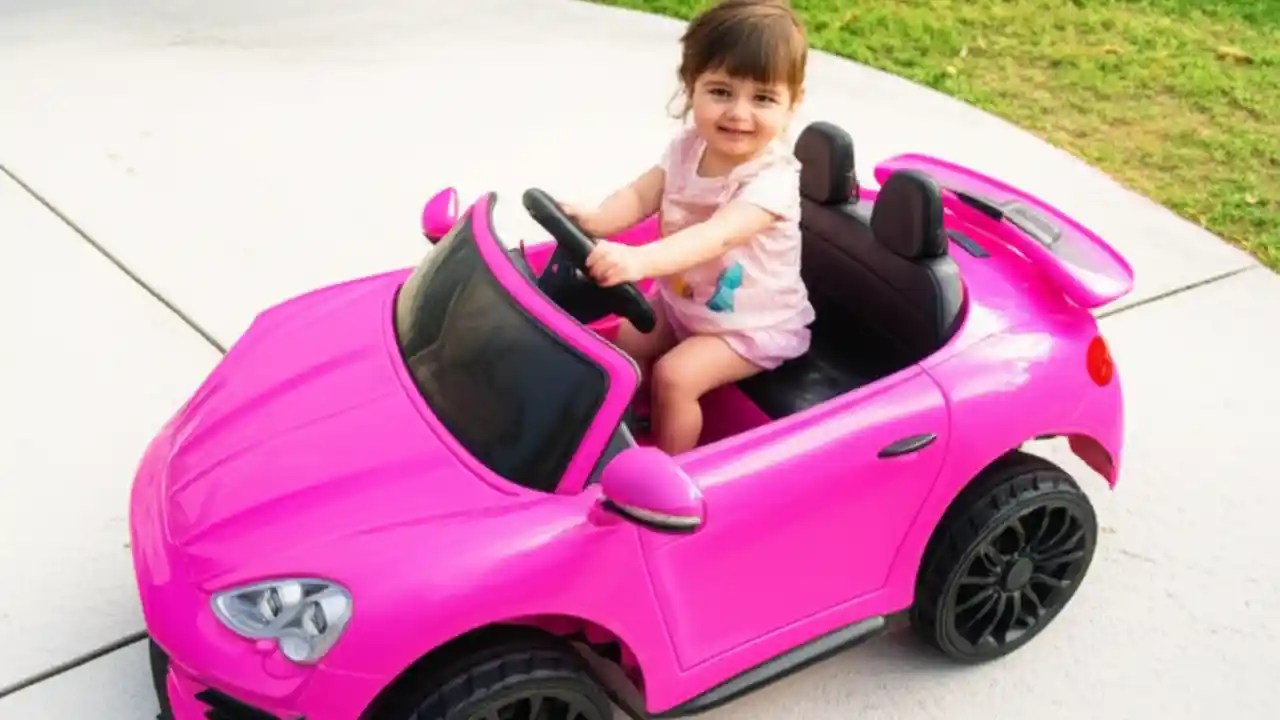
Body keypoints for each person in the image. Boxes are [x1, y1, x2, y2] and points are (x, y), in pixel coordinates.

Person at [561, 0, 814, 455]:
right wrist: (596, 219)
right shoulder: (686, 147)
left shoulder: (773, 181)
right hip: (683, 304)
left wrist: (636, 260)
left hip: (747, 326)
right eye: (720, 91)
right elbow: (641, 195)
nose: (738, 113)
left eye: (762, 98)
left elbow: (713, 236)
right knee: (622, 343)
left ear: (792, 104)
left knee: (676, 376)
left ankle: (670, 471)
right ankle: (606, 430)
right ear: (690, 86)